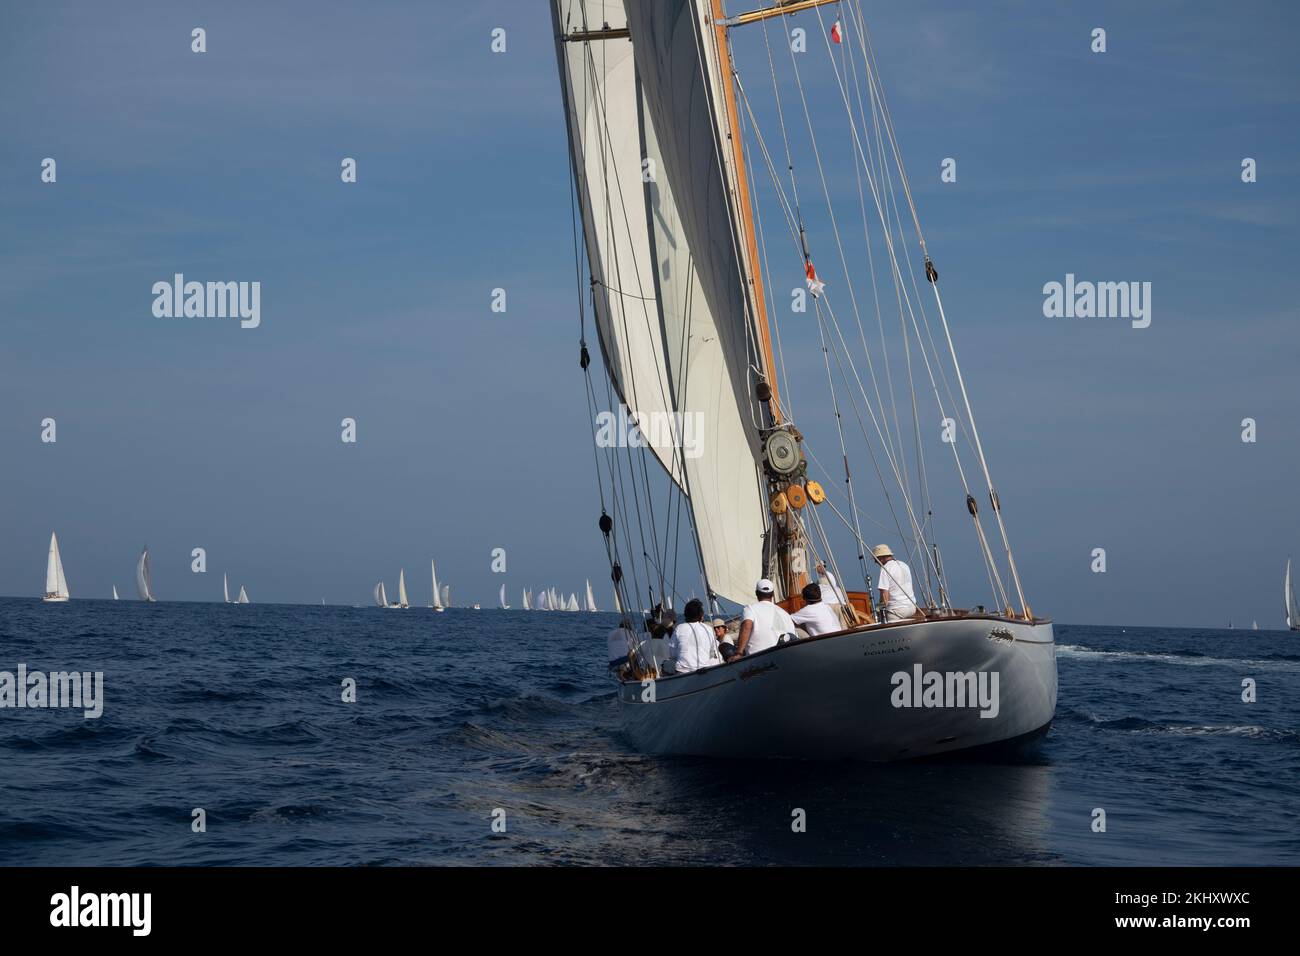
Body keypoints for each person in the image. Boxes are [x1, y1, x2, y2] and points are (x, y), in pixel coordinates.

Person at [736, 578, 797, 656]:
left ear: (756, 593)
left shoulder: (750, 609)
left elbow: (747, 626)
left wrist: (738, 653)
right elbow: (793, 636)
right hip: (784, 657)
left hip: (759, 660)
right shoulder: (785, 614)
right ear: (772, 594)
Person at [665, 599, 721, 674]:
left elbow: (672, 654)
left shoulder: (679, 628)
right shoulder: (708, 629)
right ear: (701, 615)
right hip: (705, 670)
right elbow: (713, 651)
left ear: (685, 614)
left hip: (683, 671)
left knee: (666, 664)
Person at [872, 544, 917, 622]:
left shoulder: (885, 569)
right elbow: (912, 589)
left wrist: (878, 610)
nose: (875, 562)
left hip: (897, 610)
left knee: (880, 620)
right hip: (912, 608)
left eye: (876, 559)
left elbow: (884, 595)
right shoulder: (904, 565)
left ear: (881, 558)